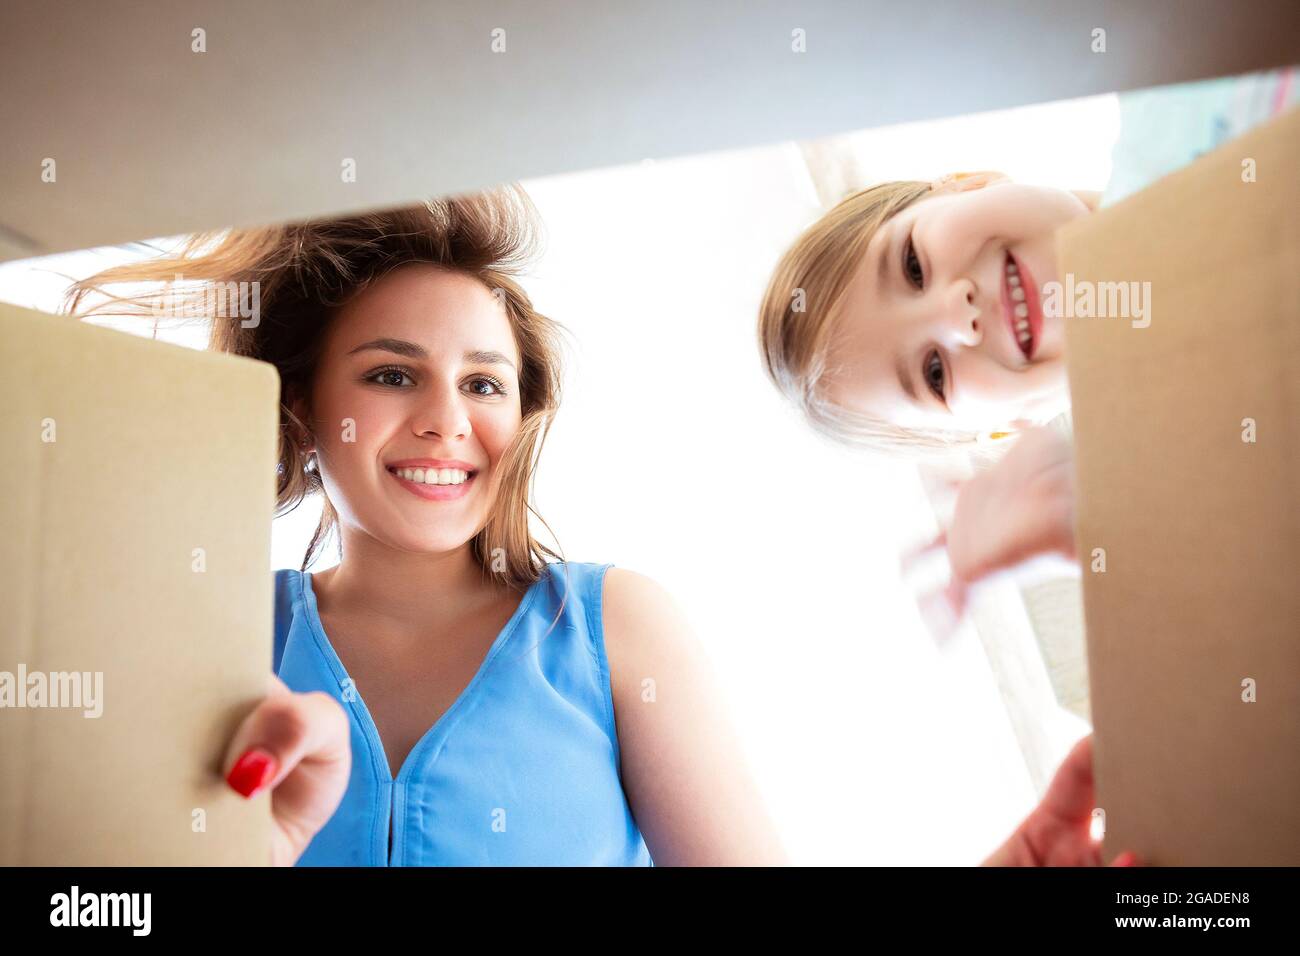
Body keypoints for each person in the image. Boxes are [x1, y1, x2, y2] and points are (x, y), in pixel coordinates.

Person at [65, 185, 786, 866]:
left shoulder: (616, 626)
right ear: (302, 415)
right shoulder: (221, 630)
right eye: (392, 375)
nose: (447, 421)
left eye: (483, 384)